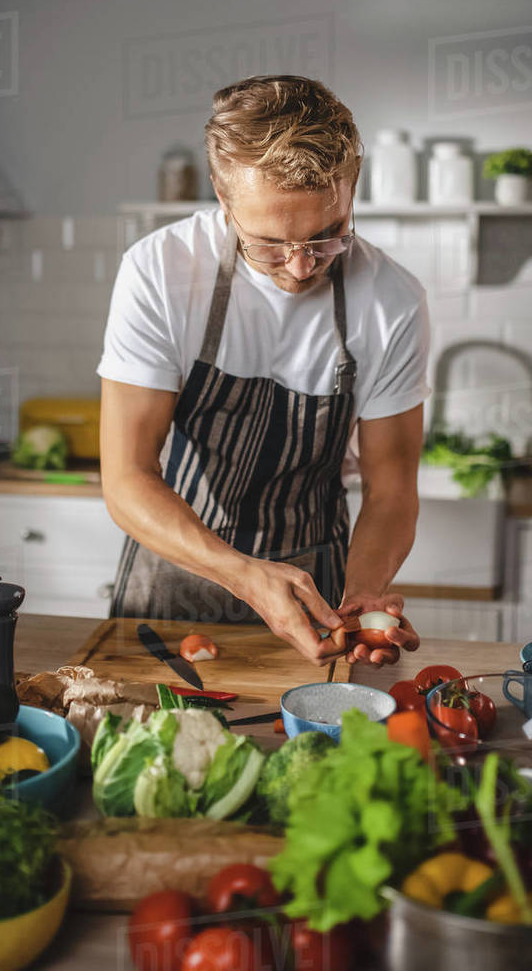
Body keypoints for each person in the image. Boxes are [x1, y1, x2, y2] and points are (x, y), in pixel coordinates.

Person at [97, 75, 429, 667]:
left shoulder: (392, 300)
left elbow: (393, 488)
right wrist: (243, 575)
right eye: (270, 244)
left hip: (319, 591)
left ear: (352, 190)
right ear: (225, 204)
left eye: (328, 236)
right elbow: (126, 479)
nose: (301, 267)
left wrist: (365, 596)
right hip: (174, 575)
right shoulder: (159, 271)